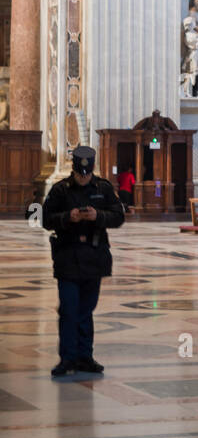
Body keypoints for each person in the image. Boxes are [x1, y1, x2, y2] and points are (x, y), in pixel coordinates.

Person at [42, 145, 124, 378]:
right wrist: (68, 217)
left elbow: (118, 217)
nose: (84, 178)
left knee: (86, 310)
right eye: (80, 175)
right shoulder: (60, 190)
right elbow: (45, 219)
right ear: (74, 170)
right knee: (69, 310)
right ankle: (67, 358)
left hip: (94, 257)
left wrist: (99, 216)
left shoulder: (104, 188)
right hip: (67, 257)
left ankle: (85, 356)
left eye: (87, 175)